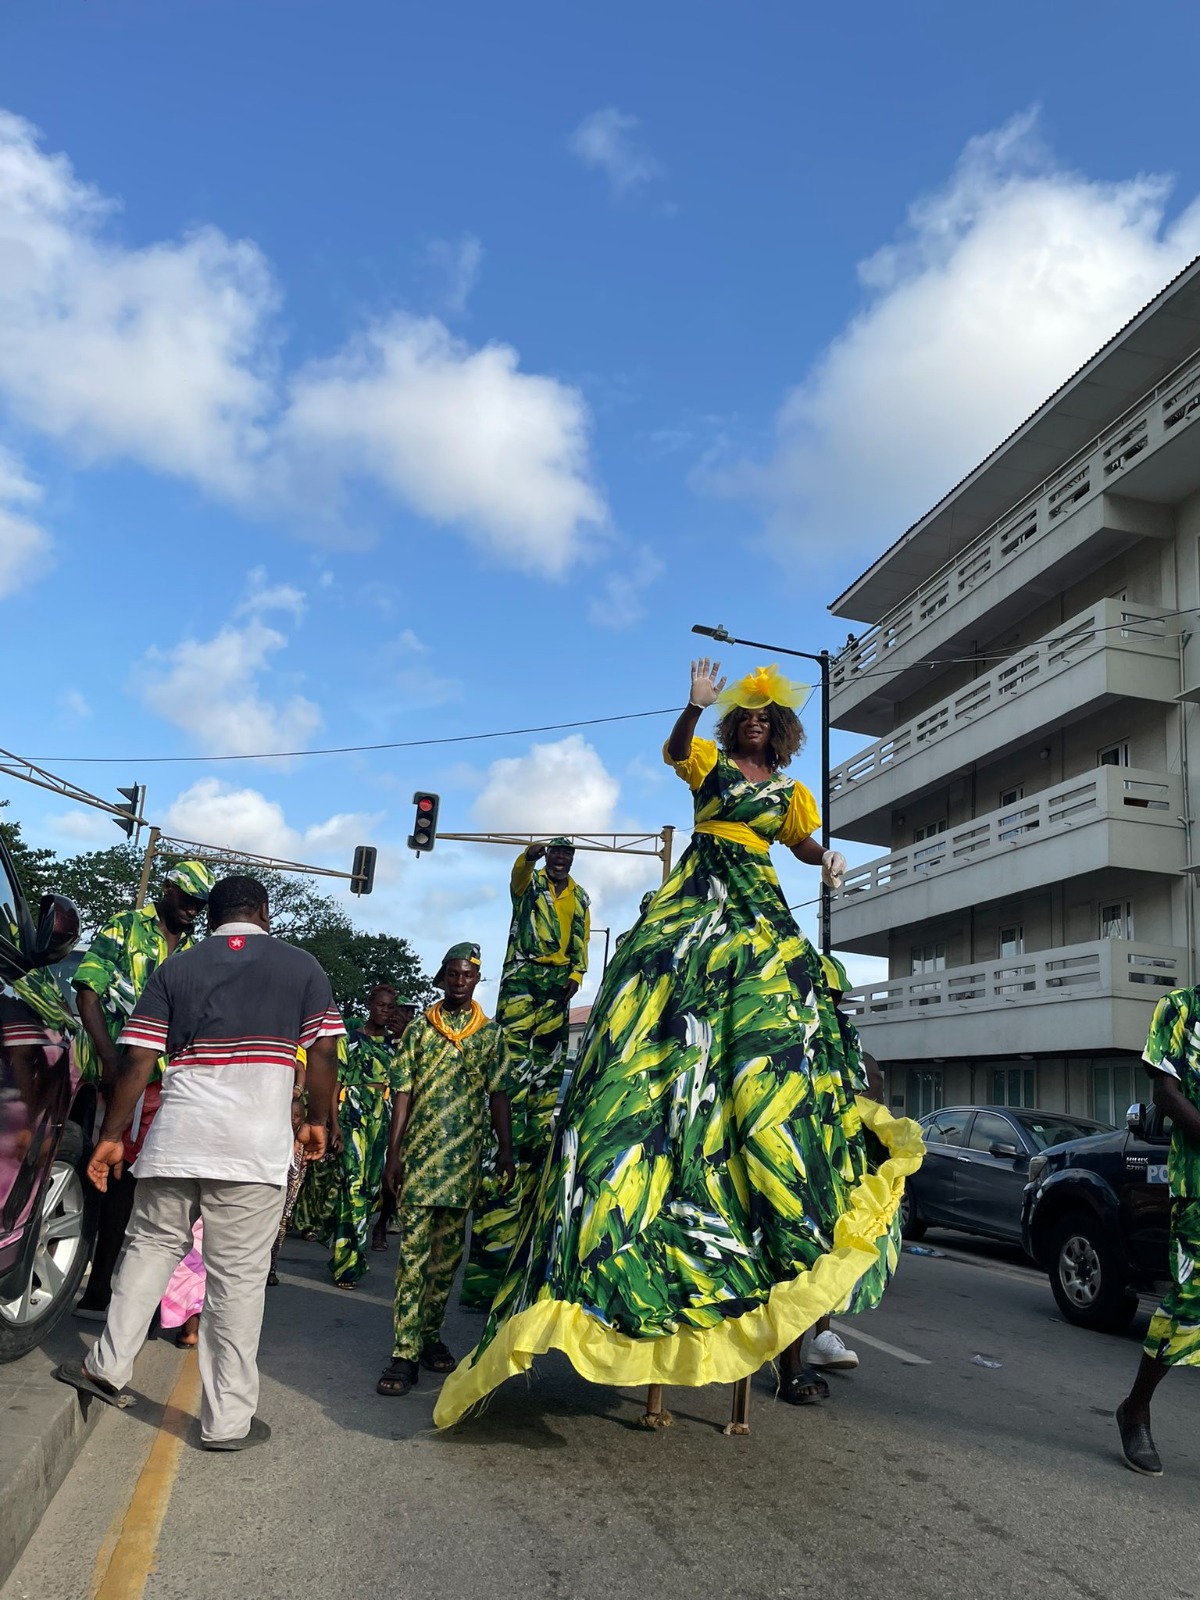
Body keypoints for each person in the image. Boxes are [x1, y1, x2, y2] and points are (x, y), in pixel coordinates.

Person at [434, 660, 923, 1429]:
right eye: (746, 714)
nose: (755, 722)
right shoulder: (711, 765)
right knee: (653, 984)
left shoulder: (791, 794)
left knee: (787, 1012)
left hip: (758, 904)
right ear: (735, 724)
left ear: (782, 730)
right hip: (701, 897)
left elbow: (799, 843)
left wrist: (824, 856)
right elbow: (675, 754)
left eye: (766, 716)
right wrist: (690, 709)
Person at [55, 875, 343, 1450]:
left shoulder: (176, 969)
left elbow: (138, 1058)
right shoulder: (302, 967)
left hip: (176, 1141)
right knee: (236, 1280)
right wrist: (318, 1120)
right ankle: (226, 1423)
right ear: (263, 911)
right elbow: (326, 1050)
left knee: (149, 1251)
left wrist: (113, 1136)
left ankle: (107, 1368)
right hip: (253, 1151)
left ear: (211, 915)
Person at [72, 861, 216, 1320]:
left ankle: (122, 1292)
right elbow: (88, 994)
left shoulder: (197, 952)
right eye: (187, 898)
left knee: (138, 1186)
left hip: (162, 1083)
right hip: (109, 1077)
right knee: (92, 1176)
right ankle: (90, 1285)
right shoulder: (126, 926)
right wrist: (110, 1062)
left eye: (200, 903)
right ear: (168, 889)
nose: (193, 909)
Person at [377, 944, 514, 1398]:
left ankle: (429, 1335)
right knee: (412, 1262)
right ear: (443, 977)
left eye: (468, 975)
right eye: (453, 974)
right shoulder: (420, 1030)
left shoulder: (490, 1036)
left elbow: (499, 1096)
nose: (460, 981)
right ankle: (403, 1353)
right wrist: (393, 1154)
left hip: (464, 1167)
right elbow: (402, 1093)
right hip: (419, 1163)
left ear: (477, 980)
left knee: (445, 1263)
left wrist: (505, 1151)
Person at [461, 839, 589, 1309]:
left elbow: (581, 942)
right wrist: (528, 856)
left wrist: (574, 977)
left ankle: (526, 1277)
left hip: (555, 984)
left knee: (548, 1069)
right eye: (555, 855)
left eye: (565, 856)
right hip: (522, 976)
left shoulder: (580, 896)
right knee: (513, 1067)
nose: (560, 861)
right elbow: (516, 878)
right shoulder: (529, 884)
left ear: (572, 862)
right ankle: (484, 1282)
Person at [1115, 985, 1200, 1475]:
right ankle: (1136, 1408)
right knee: (1190, 1301)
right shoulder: (1180, 1007)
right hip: (1197, 1186)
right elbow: (1165, 1095)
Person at [329, 984, 403, 1288]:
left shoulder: (395, 1047)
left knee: (372, 1190)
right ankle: (348, 1264)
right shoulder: (350, 1040)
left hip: (382, 1120)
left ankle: (345, 1249)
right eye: (380, 1005)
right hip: (354, 1118)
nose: (384, 1011)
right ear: (369, 1005)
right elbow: (335, 1085)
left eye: (390, 1007)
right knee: (352, 1188)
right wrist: (334, 1125)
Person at [371, 998, 418, 1252]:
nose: (406, 1014)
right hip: (372, 1111)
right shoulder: (382, 1039)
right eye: (403, 1009)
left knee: (393, 1172)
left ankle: (382, 1224)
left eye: (411, 1011)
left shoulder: (413, 1039)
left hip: (399, 1114)